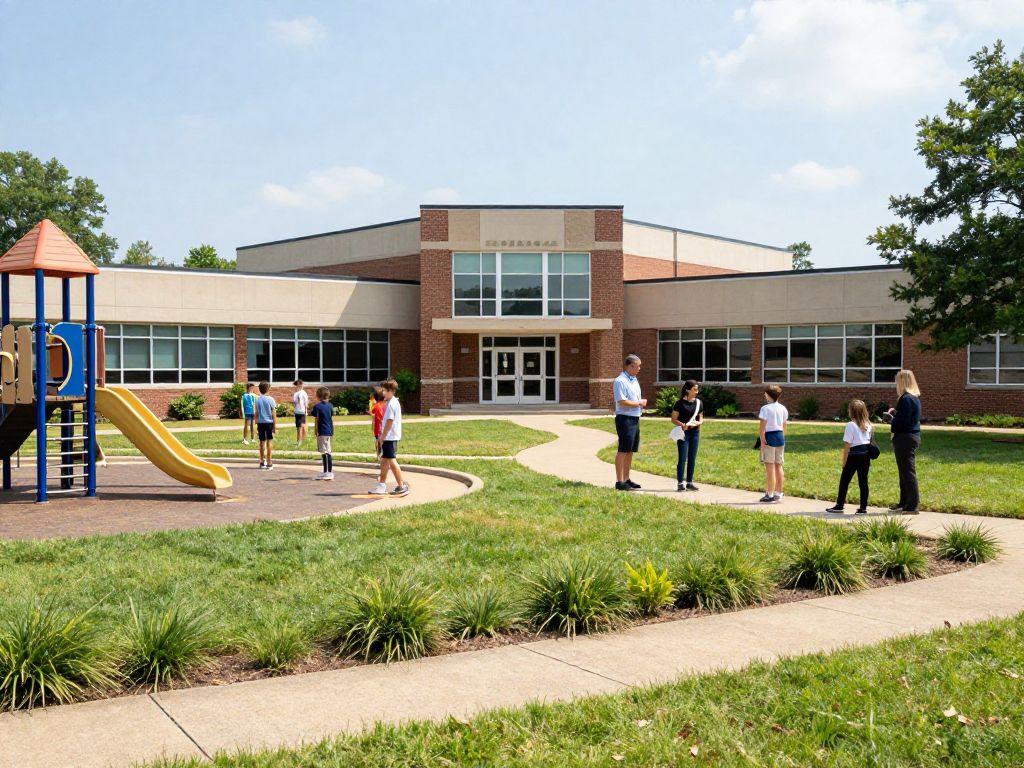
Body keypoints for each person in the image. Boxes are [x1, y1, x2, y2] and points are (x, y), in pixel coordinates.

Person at [826, 399, 873, 514]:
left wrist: (844, 460)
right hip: (865, 454)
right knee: (863, 481)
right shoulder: (869, 424)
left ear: (851, 412)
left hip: (854, 455)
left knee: (845, 480)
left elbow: (848, 444)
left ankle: (840, 505)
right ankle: (863, 507)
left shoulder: (850, 425)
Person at [886, 369, 922, 514]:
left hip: (905, 438)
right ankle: (904, 502)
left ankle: (912, 504)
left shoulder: (906, 399)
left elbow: (903, 422)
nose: (896, 384)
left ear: (902, 382)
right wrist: (896, 413)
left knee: (907, 472)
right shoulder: (914, 398)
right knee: (904, 471)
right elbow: (908, 417)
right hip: (911, 436)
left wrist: (891, 419)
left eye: (897, 381)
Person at [613, 355, 647, 491]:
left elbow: (633, 398)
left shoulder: (634, 380)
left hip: (635, 417)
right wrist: (639, 403)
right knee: (623, 450)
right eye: (637, 366)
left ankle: (627, 479)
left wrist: (639, 403)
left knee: (631, 450)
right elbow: (621, 401)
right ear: (630, 366)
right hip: (625, 419)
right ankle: (619, 481)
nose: (639, 368)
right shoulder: (620, 381)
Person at [370, 379, 409, 496]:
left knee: (391, 461)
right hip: (390, 436)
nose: (383, 392)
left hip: (389, 437)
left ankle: (401, 485)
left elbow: (389, 422)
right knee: (384, 461)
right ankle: (381, 485)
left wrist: (382, 436)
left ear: (391, 390)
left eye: (385, 390)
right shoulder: (391, 402)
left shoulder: (392, 404)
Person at [670, 380, 703, 491]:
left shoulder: (698, 402)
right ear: (687, 390)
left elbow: (701, 416)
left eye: (697, 389)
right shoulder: (679, 403)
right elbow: (673, 419)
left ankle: (689, 482)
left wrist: (699, 422)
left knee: (692, 458)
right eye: (694, 389)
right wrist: (682, 425)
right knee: (682, 458)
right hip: (683, 433)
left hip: (695, 433)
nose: (696, 392)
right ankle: (680, 482)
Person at [757, 384, 788, 503]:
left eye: (765, 393)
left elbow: (762, 428)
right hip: (780, 436)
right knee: (779, 465)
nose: (764, 395)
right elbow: (785, 426)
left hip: (769, 436)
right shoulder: (783, 408)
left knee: (769, 466)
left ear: (769, 395)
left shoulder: (765, 408)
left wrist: (762, 442)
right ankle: (779, 492)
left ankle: (769, 494)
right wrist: (782, 437)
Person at [311, 386, 334, 480]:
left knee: (326, 452)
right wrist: (333, 430)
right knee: (326, 451)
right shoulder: (330, 406)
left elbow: (317, 420)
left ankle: (328, 472)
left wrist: (316, 431)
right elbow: (331, 419)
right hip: (329, 430)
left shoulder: (317, 406)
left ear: (318, 396)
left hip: (322, 431)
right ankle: (326, 471)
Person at [256, 380, 277, 471]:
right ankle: (269, 461)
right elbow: (274, 414)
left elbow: (256, 414)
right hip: (269, 423)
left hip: (261, 423)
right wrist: (275, 426)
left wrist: (256, 423)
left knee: (261, 442)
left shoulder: (258, 400)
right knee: (269, 442)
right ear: (268, 389)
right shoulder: (271, 399)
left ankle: (262, 461)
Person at [292, 380, 309, 447]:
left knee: (301, 427)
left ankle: (300, 442)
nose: (300, 386)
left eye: (301, 384)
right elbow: (295, 403)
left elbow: (306, 403)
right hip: (297, 412)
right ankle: (299, 441)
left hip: (302, 412)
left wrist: (305, 412)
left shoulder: (303, 393)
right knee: (298, 427)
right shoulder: (295, 393)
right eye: (298, 384)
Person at [371, 387, 386, 457]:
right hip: (386, 428)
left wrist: (373, 429)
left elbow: (373, 420)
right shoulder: (386, 405)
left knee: (378, 443)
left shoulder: (375, 407)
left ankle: (379, 456)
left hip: (378, 429)